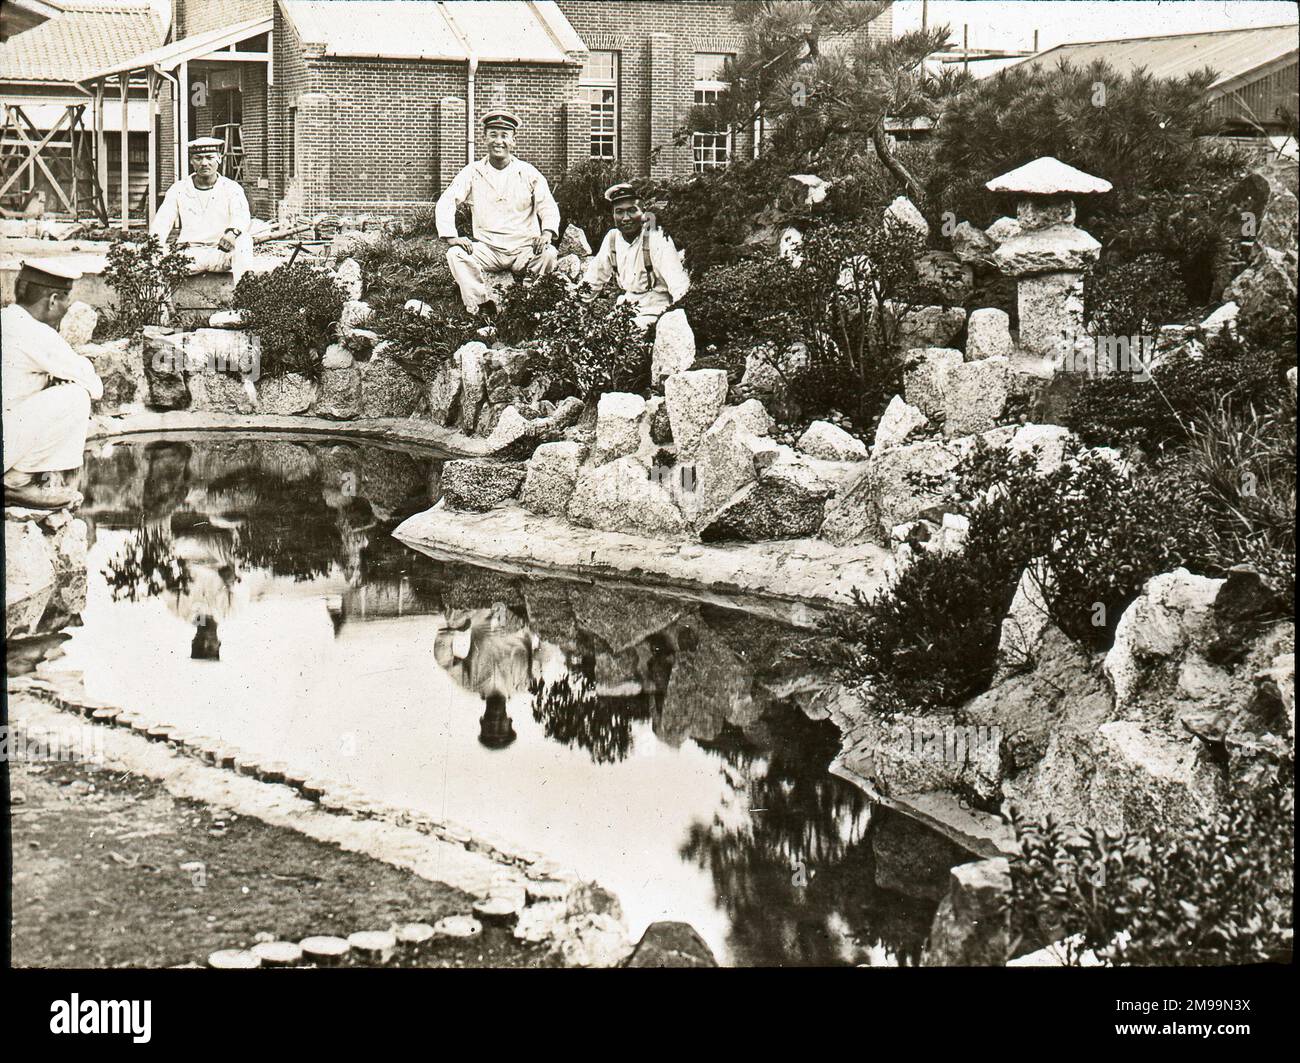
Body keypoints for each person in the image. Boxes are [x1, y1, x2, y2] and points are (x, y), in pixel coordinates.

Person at [435, 110, 560, 315]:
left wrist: (546, 233)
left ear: (513, 141)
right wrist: (452, 237)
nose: (498, 141)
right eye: (493, 134)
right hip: (489, 249)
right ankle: (481, 305)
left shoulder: (528, 172)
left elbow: (547, 205)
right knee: (455, 254)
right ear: (484, 138)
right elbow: (447, 201)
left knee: (549, 253)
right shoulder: (473, 171)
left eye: (504, 135)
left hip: (523, 249)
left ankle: (529, 303)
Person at [2, 259, 103, 509]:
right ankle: (15, 485)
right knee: (76, 396)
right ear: (53, 299)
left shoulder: (7, 318)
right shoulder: (35, 332)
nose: (67, 307)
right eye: (67, 299)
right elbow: (94, 386)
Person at [582, 182, 690, 330]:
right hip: (626, 308)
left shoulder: (655, 236)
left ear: (643, 212)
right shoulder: (612, 239)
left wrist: (682, 320)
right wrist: (571, 305)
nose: (625, 218)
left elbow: (679, 284)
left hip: (655, 309)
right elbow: (593, 280)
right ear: (613, 215)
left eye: (632, 210)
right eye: (619, 212)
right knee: (597, 336)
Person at [151, 136, 253, 282]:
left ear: (219, 158)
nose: (204, 163)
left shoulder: (231, 188)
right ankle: (159, 304)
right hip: (189, 254)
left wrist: (232, 232)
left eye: (210, 157)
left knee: (244, 240)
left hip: (220, 253)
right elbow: (161, 222)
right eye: (198, 158)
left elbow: (241, 216)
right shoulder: (179, 189)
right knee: (154, 257)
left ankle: (244, 300)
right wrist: (152, 248)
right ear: (191, 161)